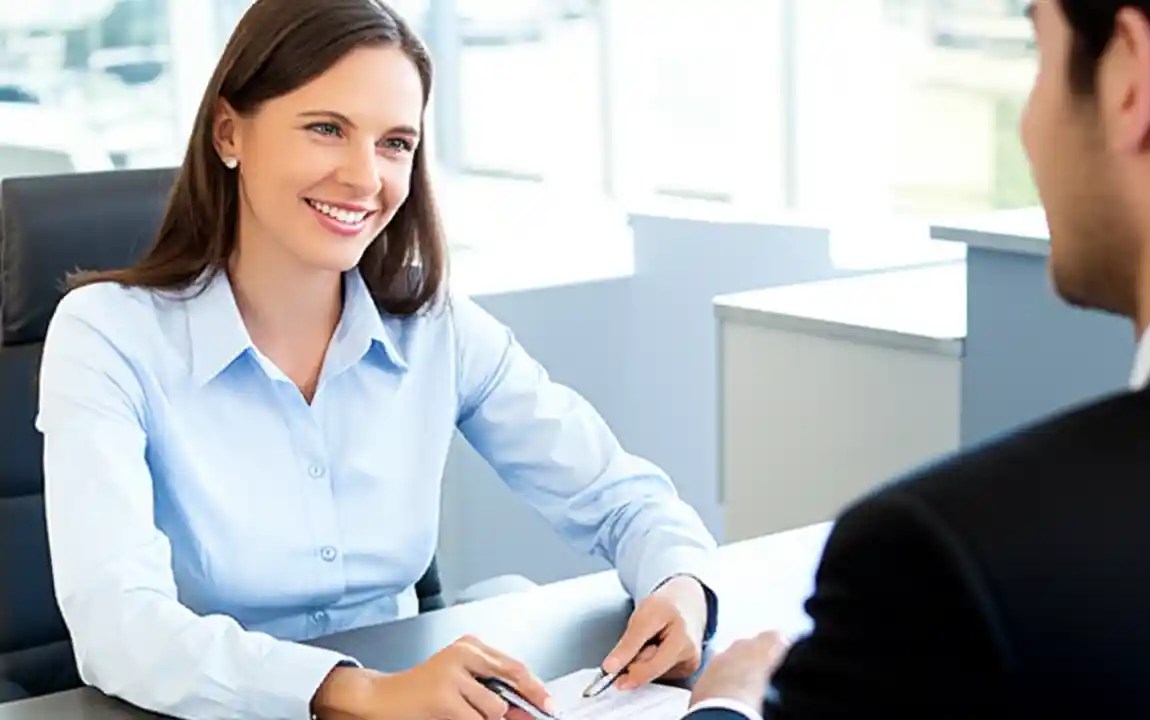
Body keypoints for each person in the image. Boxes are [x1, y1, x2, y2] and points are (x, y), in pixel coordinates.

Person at [36, 2, 717, 718]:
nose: (366, 179)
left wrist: (680, 585)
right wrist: (355, 691)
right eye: (327, 129)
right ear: (229, 132)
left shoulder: (434, 328)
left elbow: (620, 496)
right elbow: (118, 626)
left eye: (395, 143)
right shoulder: (107, 336)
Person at [685, 0, 1150, 717]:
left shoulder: (946, 562)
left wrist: (725, 706)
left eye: (1040, 55)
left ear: (1129, 74)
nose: (1030, 128)